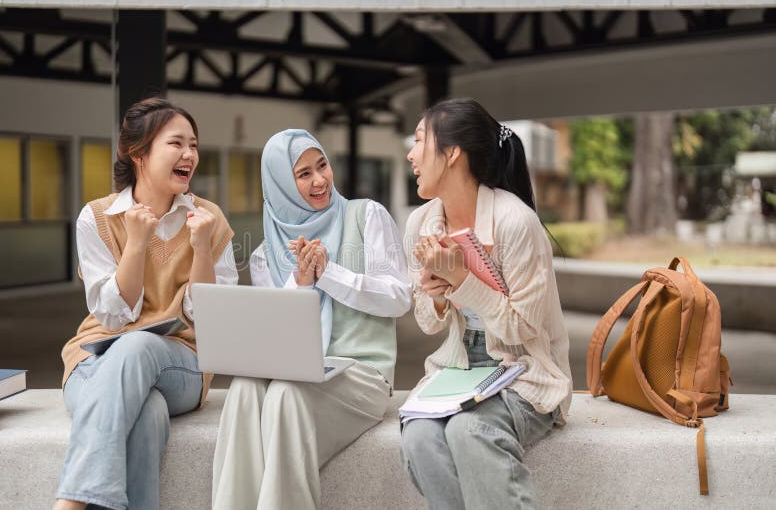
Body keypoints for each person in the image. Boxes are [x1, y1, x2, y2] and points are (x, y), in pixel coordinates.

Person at [212, 129, 411, 510]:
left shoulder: (366, 215)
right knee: (243, 388)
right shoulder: (264, 255)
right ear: (281, 184)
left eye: (322, 165)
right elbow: (274, 338)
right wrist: (301, 283)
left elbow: (399, 297)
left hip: (361, 373)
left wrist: (329, 273)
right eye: (303, 174)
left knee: (286, 393)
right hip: (301, 374)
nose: (320, 180)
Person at [54, 98, 237, 510]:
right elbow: (115, 315)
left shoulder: (209, 220)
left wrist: (202, 250)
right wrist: (136, 243)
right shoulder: (96, 217)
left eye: (193, 144)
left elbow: (211, 322)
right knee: (147, 410)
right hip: (94, 359)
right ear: (139, 153)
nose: (189, 154)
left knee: (137, 344)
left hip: (182, 364)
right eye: (176, 143)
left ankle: (71, 502)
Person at [400, 98, 572, 510]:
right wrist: (437, 295)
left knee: (469, 430)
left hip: (525, 368)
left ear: (453, 153)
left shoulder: (515, 222)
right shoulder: (421, 224)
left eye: (421, 139)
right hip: (458, 367)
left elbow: (522, 330)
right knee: (419, 434)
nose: (410, 154)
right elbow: (427, 323)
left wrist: (461, 279)